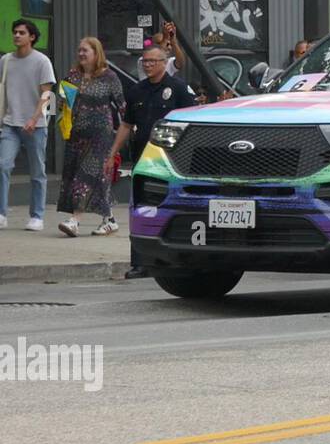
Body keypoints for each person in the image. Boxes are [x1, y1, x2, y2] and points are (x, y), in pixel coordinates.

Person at [108, 45, 199, 278]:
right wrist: (112, 153)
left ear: (163, 62)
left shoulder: (178, 89)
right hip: (144, 159)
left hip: (171, 161)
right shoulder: (137, 90)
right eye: (144, 61)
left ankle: (172, 259)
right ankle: (139, 263)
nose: (147, 65)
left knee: (169, 208)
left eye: (152, 61)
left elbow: (193, 122)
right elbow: (127, 125)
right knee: (140, 209)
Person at [55, 38, 125, 238]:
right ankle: (109, 220)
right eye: (79, 50)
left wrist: (127, 131)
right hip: (76, 135)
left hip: (100, 137)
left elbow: (122, 105)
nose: (81, 54)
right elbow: (62, 103)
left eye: (85, 50)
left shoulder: (109, 77)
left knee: (85, 175)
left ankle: (75, 221)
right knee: (97, 178)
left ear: (97, 53)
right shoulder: (72, 76)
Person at [0, 19, 56, 231]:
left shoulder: (42, 61)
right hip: (10, 123)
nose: (16, 35)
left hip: (36, 125)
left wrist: (34, 118)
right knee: (3, 165)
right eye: (14, 32)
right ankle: (1, 213)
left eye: (21, 32)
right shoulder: (5, 60)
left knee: (37, 171)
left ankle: (37, 216)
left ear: (31, 37)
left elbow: (46, 94)